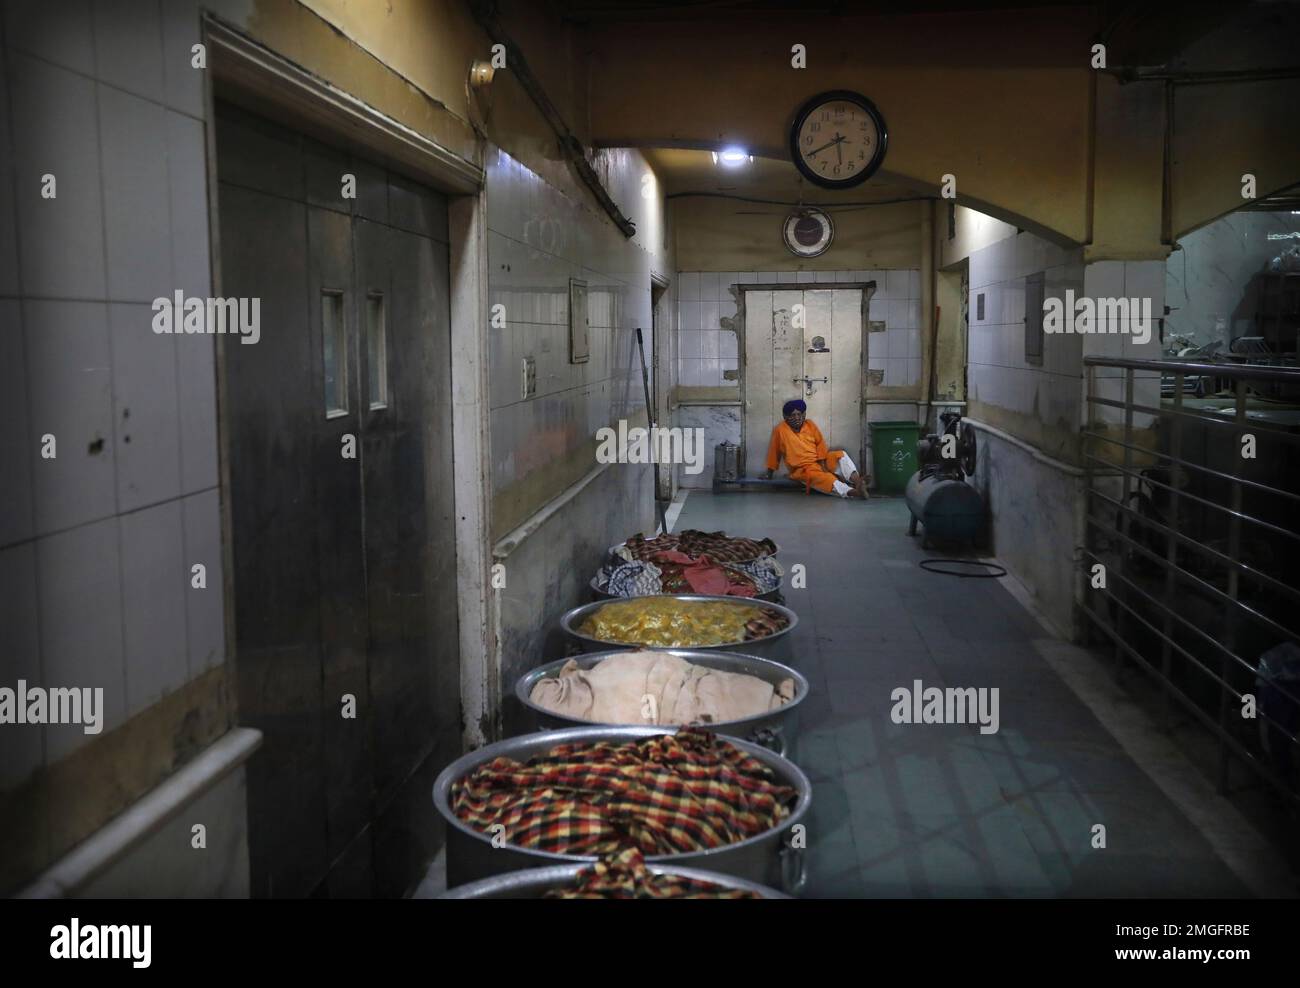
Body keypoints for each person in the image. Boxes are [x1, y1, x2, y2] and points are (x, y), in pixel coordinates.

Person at [762, 399, 868, 498]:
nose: (797, 418)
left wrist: (822, 465)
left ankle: (858, 482)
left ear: (804, 415)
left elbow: (820, 444)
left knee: (840, 454)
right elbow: (774, 452)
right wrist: (769, 473)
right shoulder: (780, 430)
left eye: (799, 414)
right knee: (827, 479)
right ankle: (855, 492)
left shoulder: (810, 424)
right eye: (792, 415)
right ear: (785, 417)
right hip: (802, 469)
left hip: (820, 461)